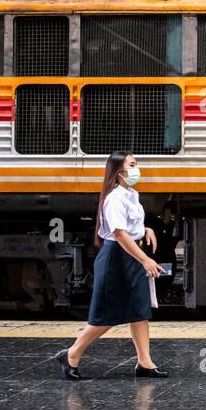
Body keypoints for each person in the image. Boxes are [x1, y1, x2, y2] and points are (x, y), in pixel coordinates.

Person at [56, 151, 167, 379]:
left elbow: (129, 226)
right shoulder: (114, 198)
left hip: (131, 254)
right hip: (117, 257)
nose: (137, 169)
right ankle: (71, 354)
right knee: (106, 315)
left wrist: (146, 229)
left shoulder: (131, 194)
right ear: (119, 171)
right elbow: (118, 233)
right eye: (133, 165)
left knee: (139, 310)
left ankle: (144, 363)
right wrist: (145, 259)